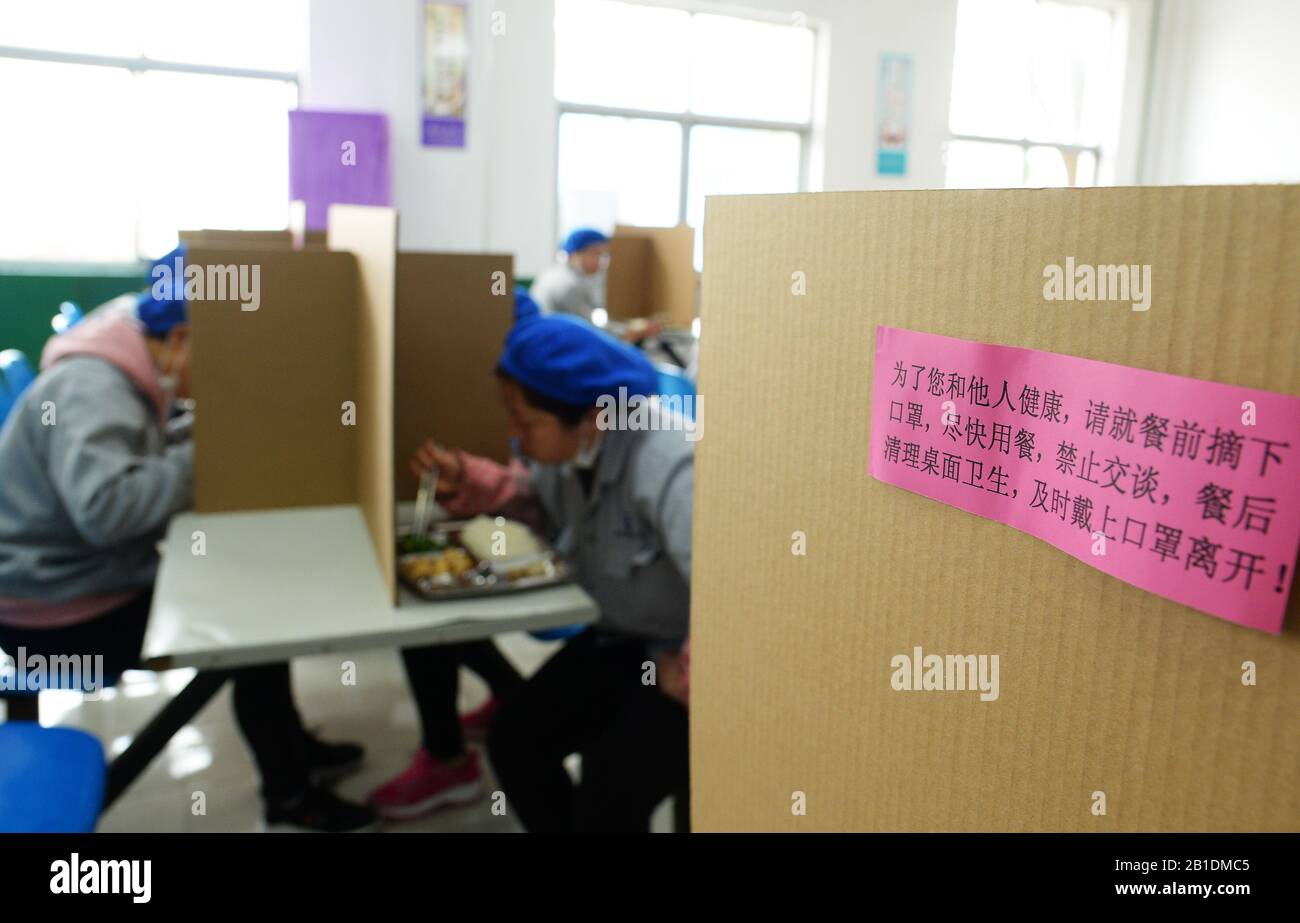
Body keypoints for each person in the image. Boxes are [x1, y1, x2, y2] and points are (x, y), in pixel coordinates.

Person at [0, 252, 378, 832]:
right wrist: (208, 447)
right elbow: (109, 511)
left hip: (66, 577)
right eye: (226, 358)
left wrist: (188, 437)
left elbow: (133, 455)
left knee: (254, 611)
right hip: (54, 611)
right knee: (251, 630)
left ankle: (294, 752)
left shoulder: (130, 353)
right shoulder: (92, 388)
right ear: (180, 338)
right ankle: (289, 795)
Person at [374, 312, 692, 831]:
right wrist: (470, 482)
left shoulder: (673, 467)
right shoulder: (566, 452)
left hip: (684, 664)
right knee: (516, 737)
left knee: (610, 785)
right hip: (620, 640)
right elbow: (541, 507)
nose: (514, 435)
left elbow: (731, 602)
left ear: (594, 418)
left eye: (526, 421)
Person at [529, 227, 611, 323]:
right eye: (595, 254)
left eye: (604, 255)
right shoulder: (567, 283)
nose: (601, 261)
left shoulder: (558, 272)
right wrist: (621, 331)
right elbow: (588, 323)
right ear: (575, 253)